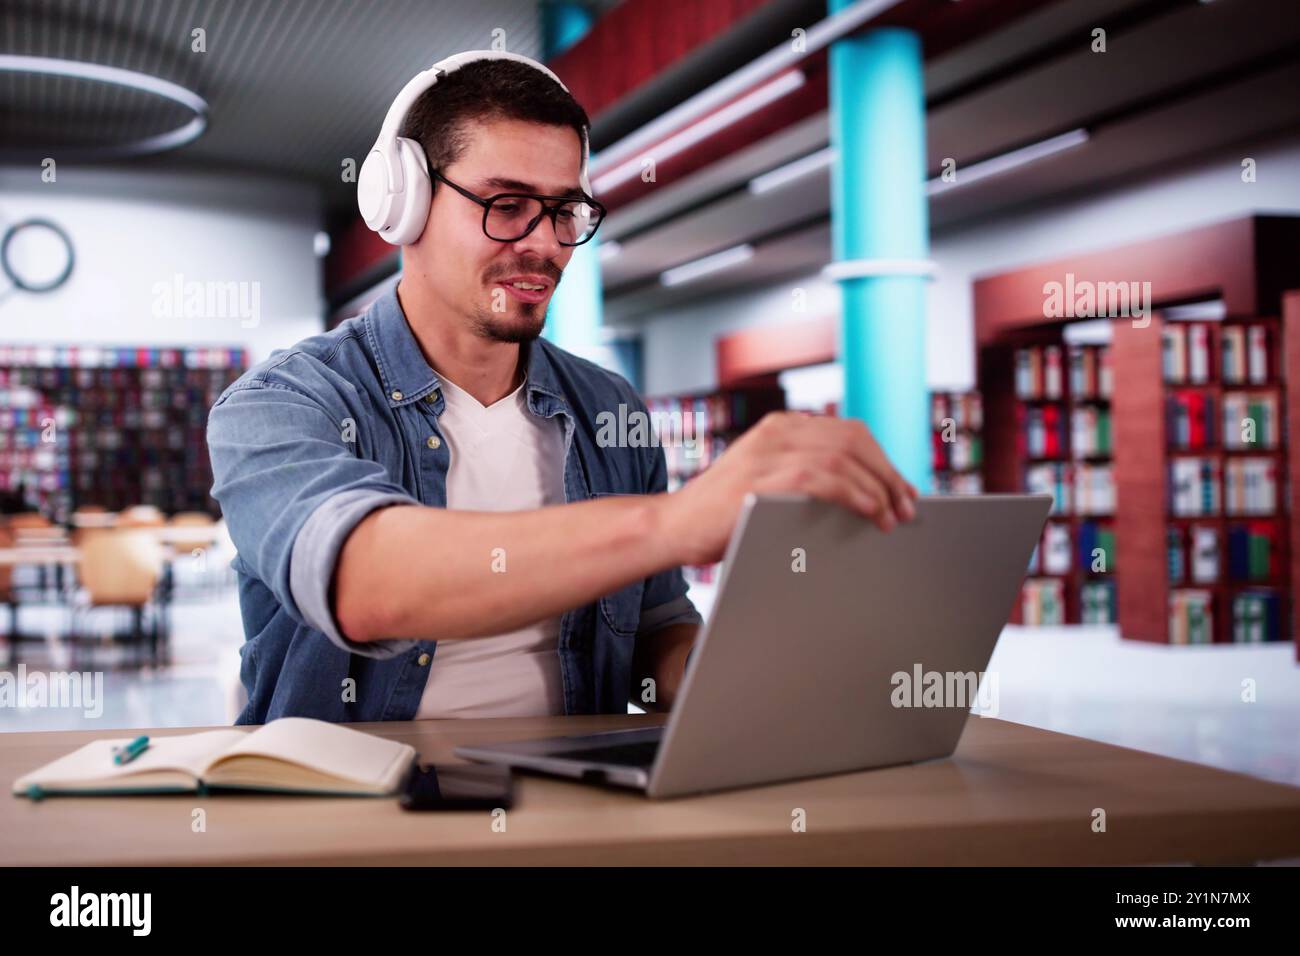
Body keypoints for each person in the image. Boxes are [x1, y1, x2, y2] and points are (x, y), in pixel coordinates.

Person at [207, 52, 918, 725]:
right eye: (508, 204)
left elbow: (654, 630)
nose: (545, 243)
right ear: (406, 203)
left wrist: (729, 677)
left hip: (575, 811)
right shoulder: (280, 405)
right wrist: (676, 522)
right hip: (356, 820)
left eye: (565, 211)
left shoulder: (609, 409)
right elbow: (364, 584)